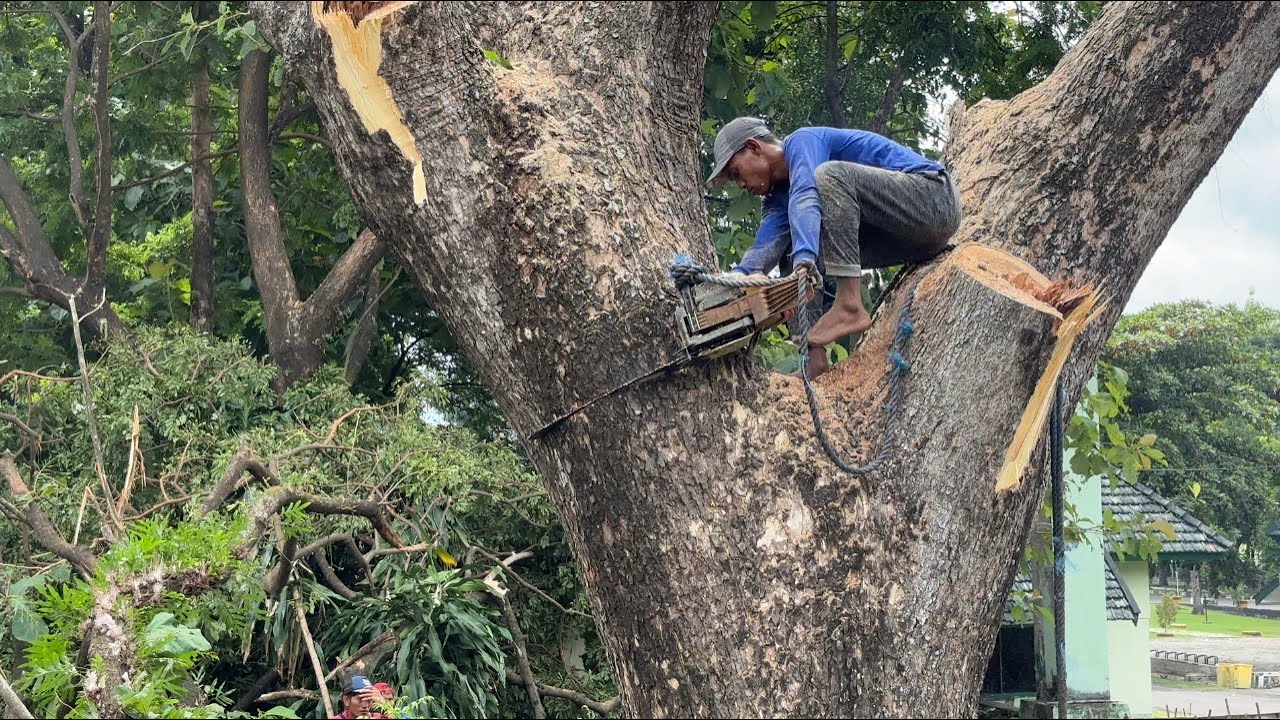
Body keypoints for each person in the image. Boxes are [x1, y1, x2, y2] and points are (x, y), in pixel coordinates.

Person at [706, 117, 963, 378]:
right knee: (790, 245)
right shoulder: (777, 198)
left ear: (754, 147)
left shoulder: (803, 141)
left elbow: (806, 194)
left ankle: (849, 303)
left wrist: (805, 262)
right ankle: (812, 357)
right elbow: (765, 246)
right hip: (909, 242)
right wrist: (736, 279)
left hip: (934, 200)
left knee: (828, 177)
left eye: (736, 173)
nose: (739, 184)